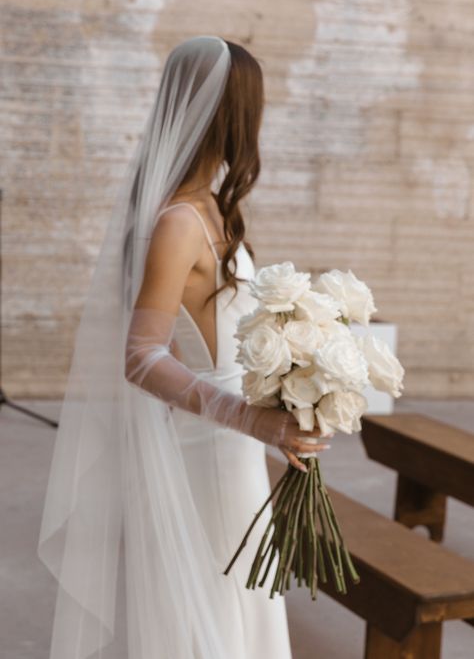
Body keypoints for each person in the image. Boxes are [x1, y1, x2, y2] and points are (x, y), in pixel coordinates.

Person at [38, 35, 331, 659]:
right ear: (229, 114)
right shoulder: (178, 222)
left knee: (240, 605)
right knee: (216, 612)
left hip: (237, 450)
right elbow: (141, 355)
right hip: (211, 447)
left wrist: (294, 393)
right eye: (254, 107)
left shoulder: (215, 209)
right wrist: (251, 418)